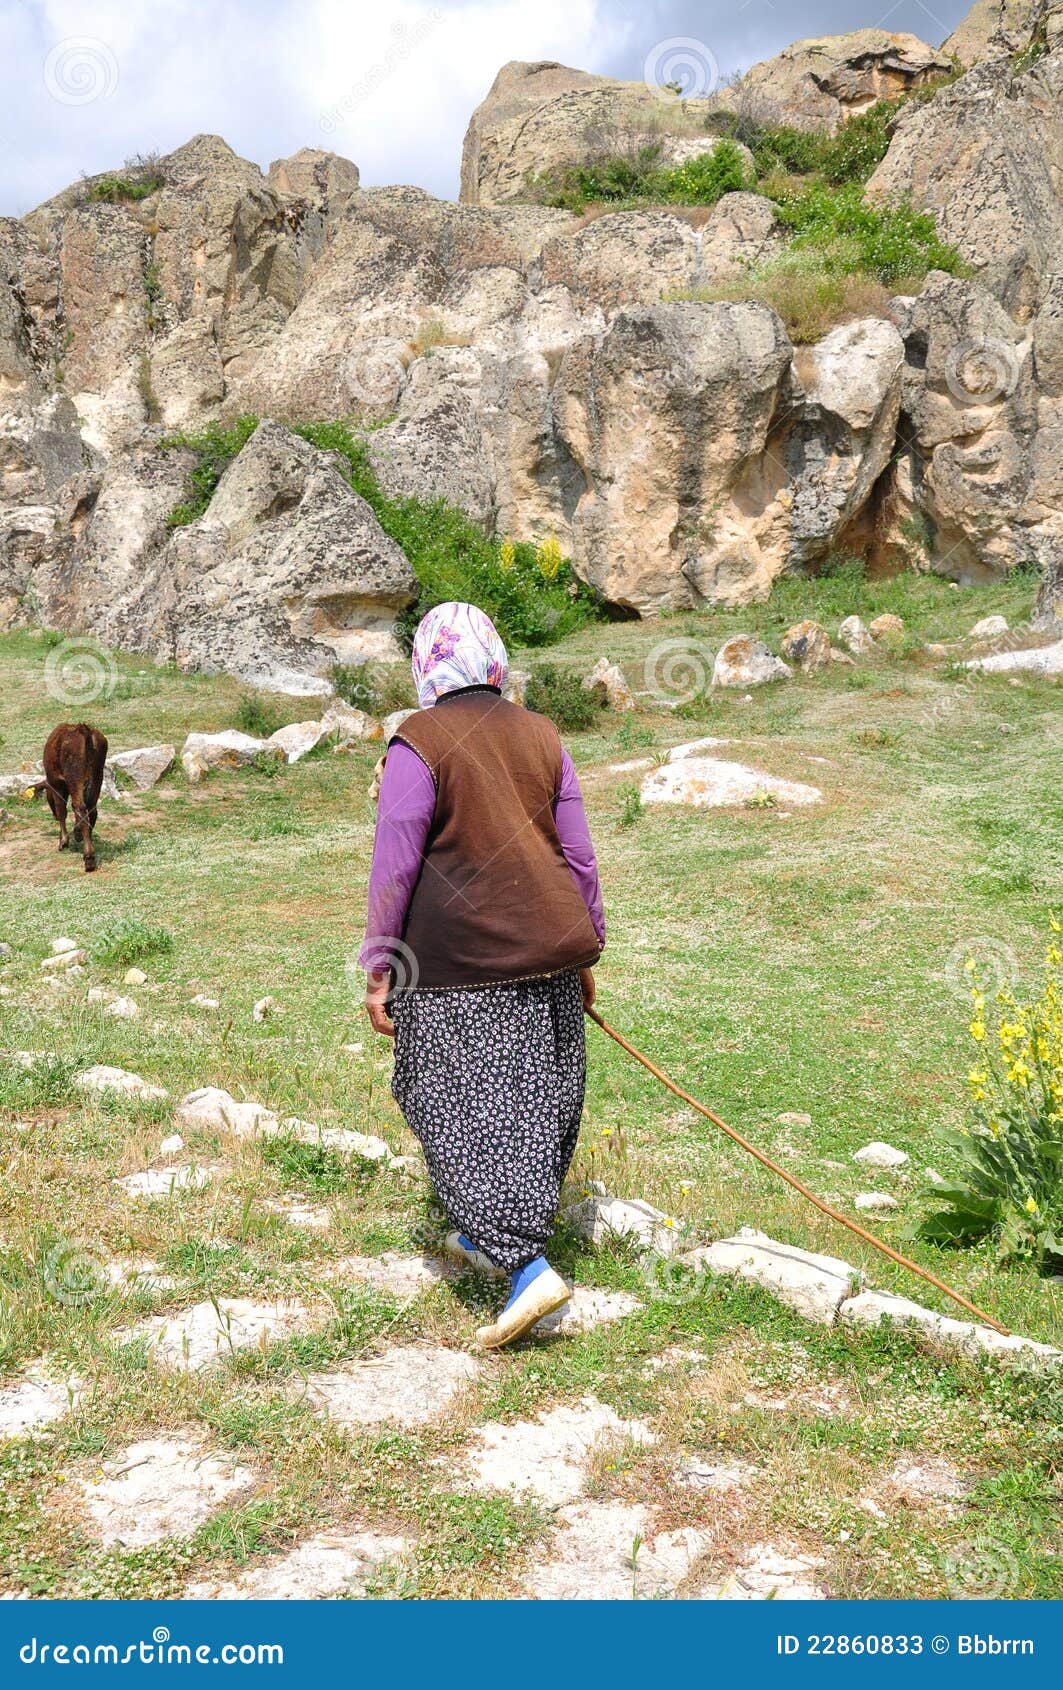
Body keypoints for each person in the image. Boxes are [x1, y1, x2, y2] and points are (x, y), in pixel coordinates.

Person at [360, 601, 605, 1348]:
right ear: (493, 657)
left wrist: (379, 964)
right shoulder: (541, 735)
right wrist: (586, 946)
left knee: (446, 1099)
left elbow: (394, 861)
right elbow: (580, 856)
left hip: (456, 963)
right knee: (534, 1100)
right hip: (548, 950)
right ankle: (488, 1238)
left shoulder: (418, 740)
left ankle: (526, 1268)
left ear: (428, 662)